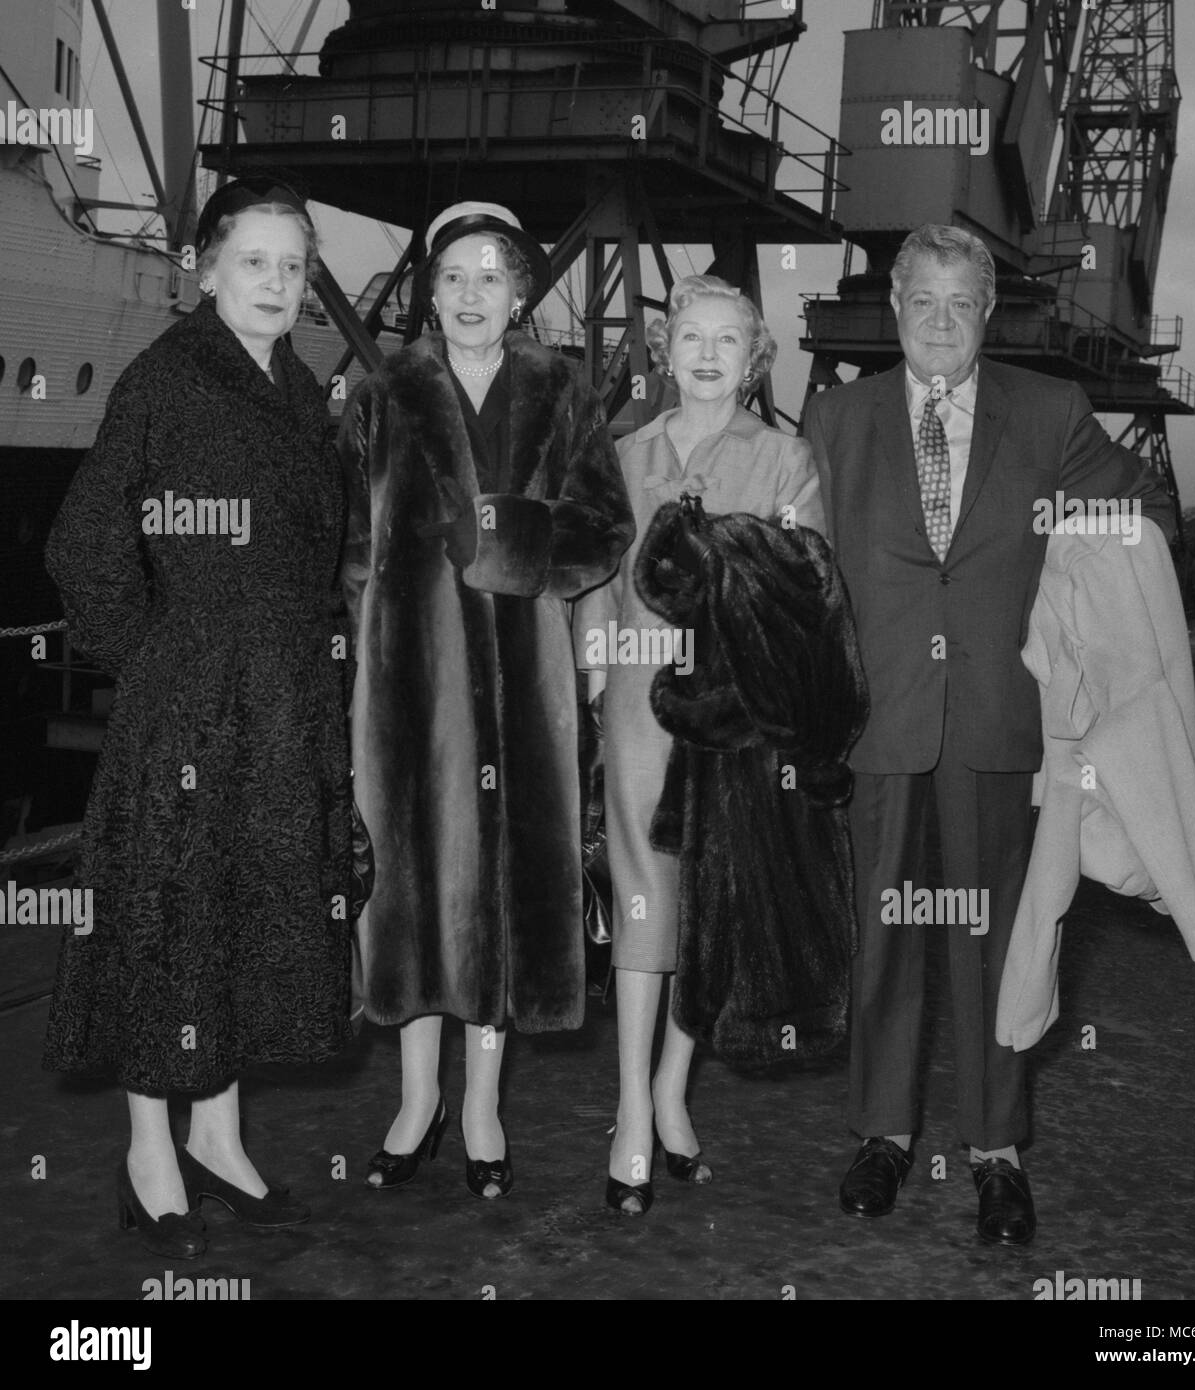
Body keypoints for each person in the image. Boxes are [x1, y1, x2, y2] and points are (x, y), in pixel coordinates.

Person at [802, 223, 1175, 1245]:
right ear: (892, 310)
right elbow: (798, 569)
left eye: (958, 304)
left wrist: (1070, 599)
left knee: (995, 943)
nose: (937, 322)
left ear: (985, 314)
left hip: (999, 730)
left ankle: (994, 1150)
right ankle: (880, 1133)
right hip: (876, 729)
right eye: (920, 301)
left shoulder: (1049, 412)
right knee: (881, 940)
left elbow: (1139, 510)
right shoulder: (835, 419)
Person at [43, 179, 353, 1257]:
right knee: (163, 921)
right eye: (256, 260)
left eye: (293, 263)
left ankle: (217, 1136)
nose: (277, 282)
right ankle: (147, 1154)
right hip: (191, 709)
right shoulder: (166, 380)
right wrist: (157, 661)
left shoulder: (301, 389)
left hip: (278, 708)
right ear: (205, 265)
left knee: (238, 917)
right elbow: (84, 544)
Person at [340, 202, 634, 1200]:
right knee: (414, 877)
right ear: (429, 290)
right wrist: (370, 644)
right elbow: (349, 544)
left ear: (519, 293)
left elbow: (602, 528)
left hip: (520, 672)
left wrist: (509, 545)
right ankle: (415, 1099)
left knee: (505, 878)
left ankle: (481, 1107)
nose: (468, 295)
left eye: (488, 277)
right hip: (409, 680)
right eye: (450, 276)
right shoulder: (387, 390)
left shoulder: (561, 390)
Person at [573, 275, 825, 1215]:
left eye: (730, 341)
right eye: (692, 338)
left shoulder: (786, 458)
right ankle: (631, 1109)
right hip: (640, 702)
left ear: (755, 359)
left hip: (736, 708)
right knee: (644, 900)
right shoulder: (622, 453)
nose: (709, 355)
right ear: (666, 350)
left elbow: (806, 587)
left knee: (712, 901)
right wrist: (597, 660)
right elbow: (595, 570)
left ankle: (675, 1091)